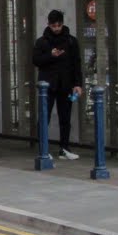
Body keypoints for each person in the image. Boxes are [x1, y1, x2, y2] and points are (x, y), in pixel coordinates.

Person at [32, 9, 83, 160]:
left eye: (59, 25)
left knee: (65, 118)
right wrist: (51, 55)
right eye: (53, 25)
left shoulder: (71, 41)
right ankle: (43, 149)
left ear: (62, 24)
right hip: (47, 86)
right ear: (48, 24)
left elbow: (76, 64)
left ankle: (64, 148)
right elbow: (35, 60)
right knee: (44, 117)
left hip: (66, 85)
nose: (56, 28)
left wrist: (78, 84)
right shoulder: (42, 42)